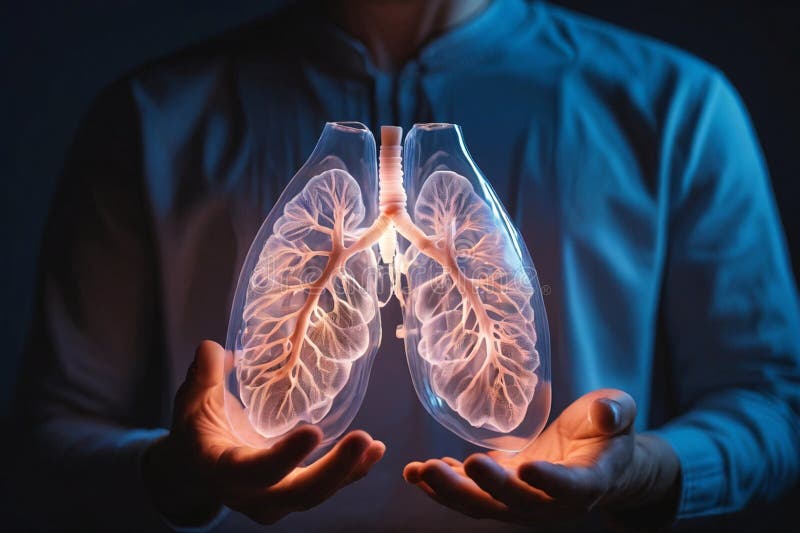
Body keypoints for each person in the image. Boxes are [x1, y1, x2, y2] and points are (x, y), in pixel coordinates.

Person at [11, 0, 800, 531]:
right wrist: (175, 476)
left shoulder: (674, 106)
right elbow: (48, 435)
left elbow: (775, 398)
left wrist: (650, 473)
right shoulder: (152, 118)